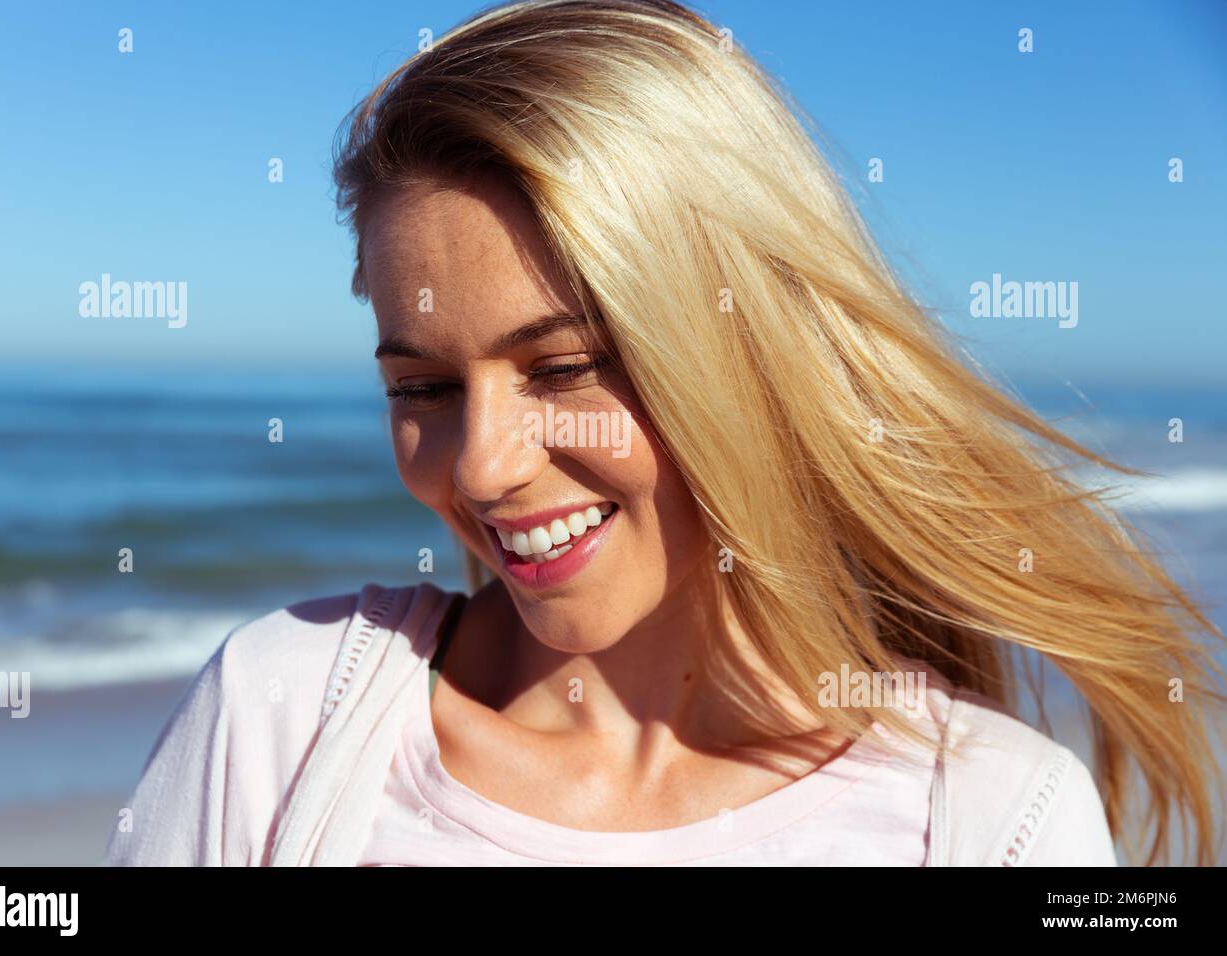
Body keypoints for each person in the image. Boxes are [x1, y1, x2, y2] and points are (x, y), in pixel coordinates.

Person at [104, 0, 1224, 866]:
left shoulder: (990, 818)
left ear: (743, 349)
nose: (483, 465)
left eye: (564, 366)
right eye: (425, 387)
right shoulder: (282, 719)